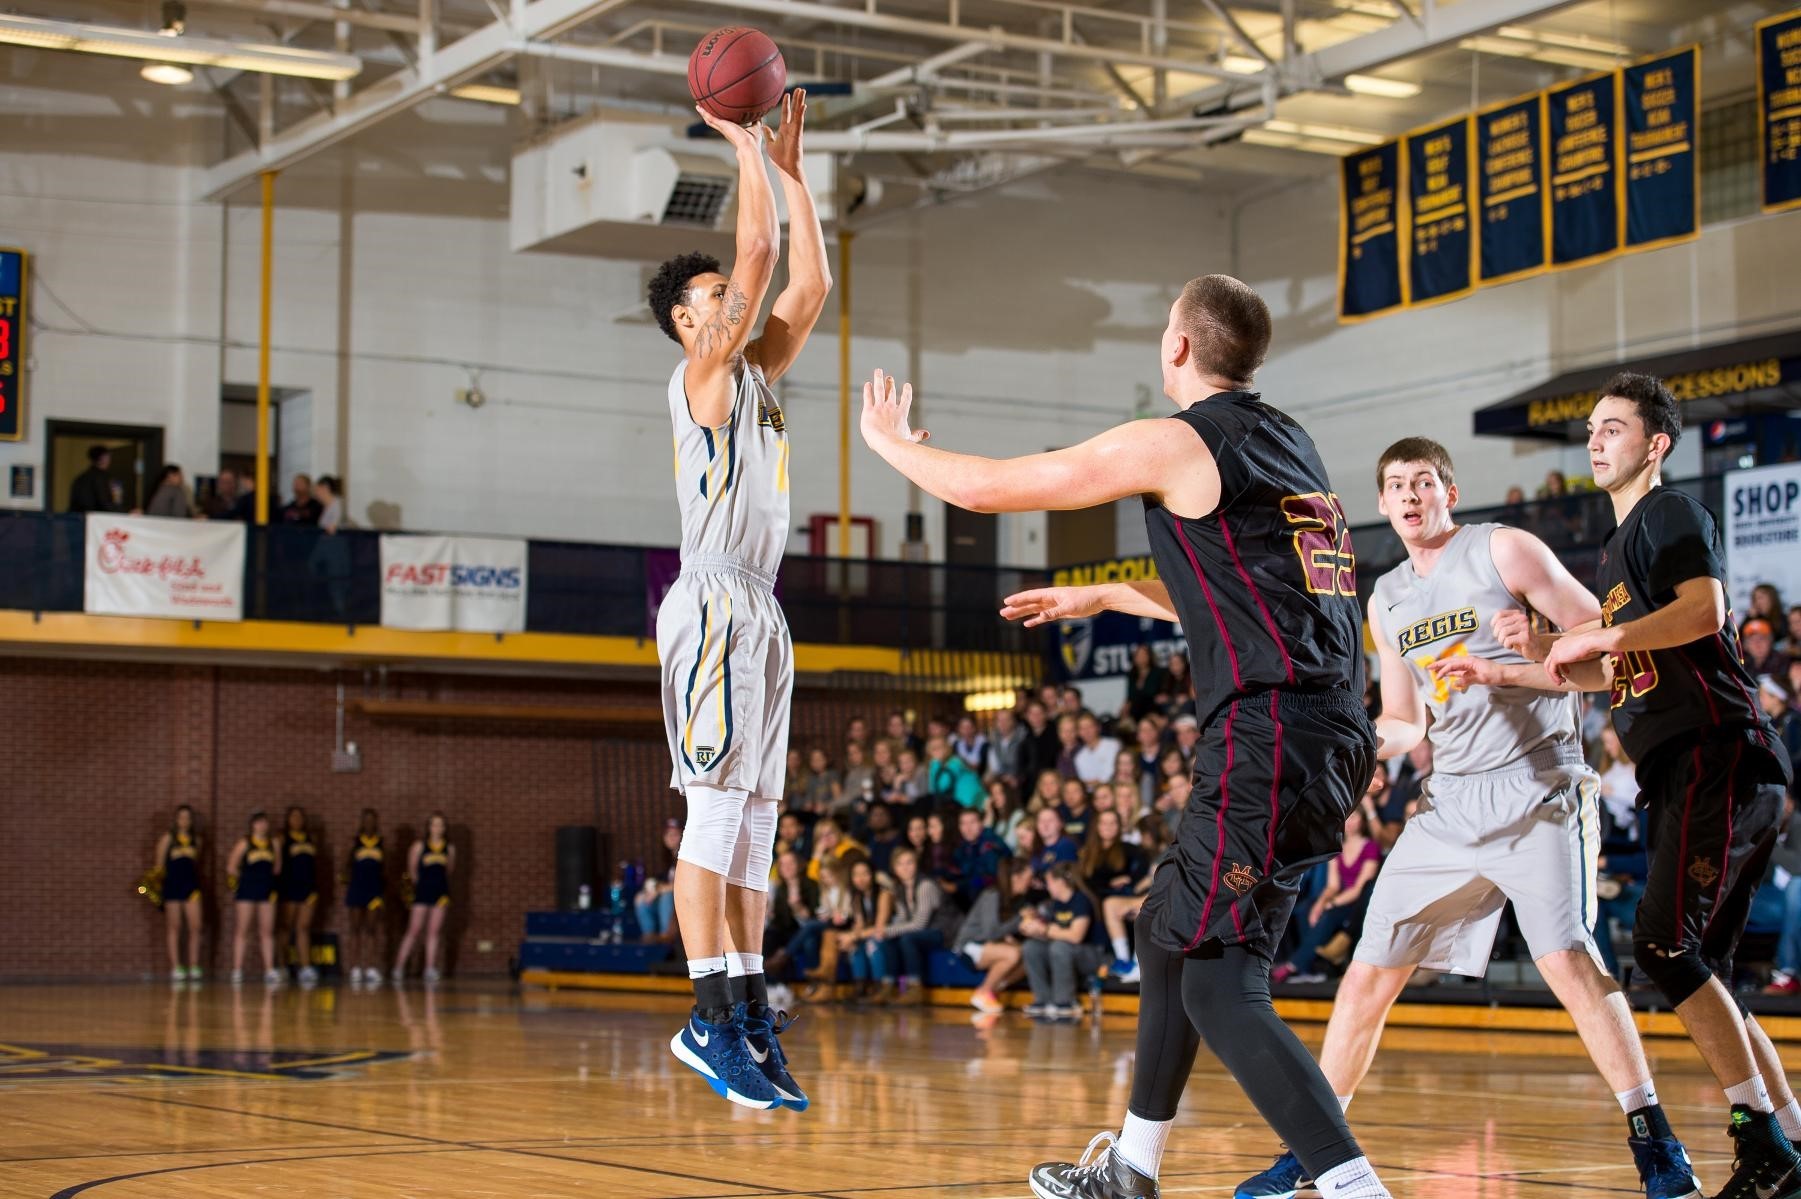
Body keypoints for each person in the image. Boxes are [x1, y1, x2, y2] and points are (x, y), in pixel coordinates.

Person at [863, 275, 1391, 1199]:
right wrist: (1107, 594)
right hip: (1328, 732)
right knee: (1162, 931)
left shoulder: (1177, 439)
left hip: (1268, 734)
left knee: (1219, 984)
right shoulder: (1289, 444)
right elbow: (1248, 594)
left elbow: (994, 490)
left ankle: (1354, 1190)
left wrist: (890, 446)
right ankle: (1133, 1168)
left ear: (1178, 348)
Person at [1240, 436, 1699, 1199]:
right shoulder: (1383, 596)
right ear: (1381, 506)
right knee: (1364, 977)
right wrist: (1360, 745)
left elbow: (1606, 658)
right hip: (1449, 804)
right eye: (1395, 485)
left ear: (1448, 491)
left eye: (1423, 480)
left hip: (1537, 790)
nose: (1410, 494)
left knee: (1567, 962)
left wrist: (1527, 652)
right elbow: (1403, 717)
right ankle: (1314, 1149)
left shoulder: (1505, 551)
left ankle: (1653, 1136)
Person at [1440, 374, 1800, 1199]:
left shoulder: (1668, 515)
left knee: (1662, 947)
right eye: (1591, 428)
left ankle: (1762, 1146)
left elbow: (1703, 609)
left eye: (1613, 427)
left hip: (1713, 752)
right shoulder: (1613, 554)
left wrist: (1598, 632)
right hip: (1699, 765)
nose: (1595, 439)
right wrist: (1521, 660)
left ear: (1656, 443)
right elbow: (1609, 671)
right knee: (1699, 966)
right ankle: (1788, 1137)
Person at [647, 93, 826, 1116]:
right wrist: (744, 146)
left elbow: (808, 279)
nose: (727, 303)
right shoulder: (701, 374)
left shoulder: (758, 375)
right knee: (715, 807)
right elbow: (757, 255)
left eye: (721, 298)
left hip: (761, 606)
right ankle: (706, 1012)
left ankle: (749, 1004)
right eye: (705, 298)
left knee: (758, 819)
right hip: (713, 600)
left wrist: (794, 168)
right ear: (686, 325)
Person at [1270, 807, 1379, 986]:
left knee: (1330, 915)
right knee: (1306, 910)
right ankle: (1310, 968)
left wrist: (1332, 904)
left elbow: (1360, 888)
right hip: (1339, 897)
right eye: (1347, 818)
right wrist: (1320, 903)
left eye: (1355, 818)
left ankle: (1294, 965)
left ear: (1363, 821)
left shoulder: (1370, 847)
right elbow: (1332, 886)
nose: (1350, 823)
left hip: (1358, 902)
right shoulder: (1338, 847)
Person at [1019, 862, 1109, 1021]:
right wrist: (1034, 930)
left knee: (1059, 947)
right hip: (1067, 951)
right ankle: (1043, 1000)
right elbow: (1052, 932)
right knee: (1031, 947)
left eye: (1049, 882)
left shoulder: (1080, 900)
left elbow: (1076, 936)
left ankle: (1066, 1002)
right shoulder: (1055, 904)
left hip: (1094, 956)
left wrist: (1046, 930)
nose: (1047, 887)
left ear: (1060, 882)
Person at [958, 856, 1035, 1014]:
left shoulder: (1019, 899)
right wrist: (1020, 919)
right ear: (1016, 877)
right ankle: (983, 991)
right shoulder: (992, 895)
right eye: (1029, 878)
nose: (1031, 882)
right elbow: (990, 932)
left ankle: (994, 989)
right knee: (1012, 954)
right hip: (971, 945)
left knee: (1030, 955)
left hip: (992, 943)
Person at [877, 846, 947, 1004]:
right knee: (891, 939)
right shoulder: (900, 888)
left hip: (941, 931)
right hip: (921, 932)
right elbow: (903, 920)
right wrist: (889, 932)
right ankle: (888, 985)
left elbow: (920, 924)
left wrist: (887, 930)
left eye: (909, 862)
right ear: (894, 868)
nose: (905, 868)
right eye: (900, 864)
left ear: (916, 864)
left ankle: (915, 988)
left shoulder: (925, 885)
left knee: (907, 938)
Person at [394, 813, 454, 984]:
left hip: (440, 892)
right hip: (422, 892)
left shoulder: (449, 848)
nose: (437, 828)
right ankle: (399, 967)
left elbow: (449, 870)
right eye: (434, 824)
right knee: (413, 929)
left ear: (444, 828)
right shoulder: (419, 846)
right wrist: (419, 887)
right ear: (429, 827)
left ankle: (429, 968)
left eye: (441, 825)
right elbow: (412, 870)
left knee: (434, 931)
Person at [226, 812, 281, 987]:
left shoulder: (274, 843)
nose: (262, 826)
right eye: (258, 822)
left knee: (267, 930)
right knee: (243, 929)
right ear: (252, 825)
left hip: (266, 889)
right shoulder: (245, 843)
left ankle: (269, 969)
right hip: (247, 889)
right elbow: (231, 867)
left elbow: (277, 868)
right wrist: (247, 878)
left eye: (265, 822)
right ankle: (237, 969)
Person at [155, 805, 204, 983]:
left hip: (191, 886)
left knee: (196, 926)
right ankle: (176, 966)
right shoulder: (167, 839)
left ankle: (194, 964)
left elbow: (196, 863)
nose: (184, 821)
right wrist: (156, 891)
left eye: (188, 818)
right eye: (181, 817)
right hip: (172, 886)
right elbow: (159, 867)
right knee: (174, 926)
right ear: (176, 820)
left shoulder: (196, 840)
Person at [276, 805, 321, 987]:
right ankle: (282, 965)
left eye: (300, 817)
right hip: (289, 887)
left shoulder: (311, 839)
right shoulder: (282, 838)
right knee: (286, 927)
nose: (297, 820)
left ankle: (305, 966)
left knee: (303, 927)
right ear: (287, 819)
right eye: (293, 816)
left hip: (307, 888)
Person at [343, 808, 387, 986]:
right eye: (366, 819)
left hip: (374, 890)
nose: (369, 823)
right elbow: (345, 867)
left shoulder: (381, 844)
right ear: (361, 822)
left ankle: (371, 966)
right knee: (355, 929)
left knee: (371, 929)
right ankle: (354, 966)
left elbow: (385, 870)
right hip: (356, 889)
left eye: (372, 820)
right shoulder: (354, 843)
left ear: (376, 822)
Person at [636, 819, 683, 942]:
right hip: (666, 904)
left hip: (683, 902)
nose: (671, 838)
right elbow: (660, 880)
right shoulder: (666, 858)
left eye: (675, 834)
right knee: (641, 897)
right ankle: (649, 935)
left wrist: (659, 889)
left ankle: (666, 935)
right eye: (668, 834)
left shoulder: (687, 857)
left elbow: (683, 885)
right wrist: (651, 889)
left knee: (667, 895)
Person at [952, 806, 1011, 903]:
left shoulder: (989, 843)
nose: (968, 828)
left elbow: (991, 879)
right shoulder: (962, 847)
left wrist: (960, 886)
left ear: (981, 824)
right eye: (963, 823)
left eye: (972, 822)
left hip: (995, 892)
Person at [68, 445, 126, 513]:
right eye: (108, 457)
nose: (109, 460)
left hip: (79, 518)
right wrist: (124, 513)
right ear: (103, 458)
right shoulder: (104, 479)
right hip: (98, 519)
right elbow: (105, 503)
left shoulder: (81, 478)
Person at [1071, 713, 1122, 787]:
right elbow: (1085, 784)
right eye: (1082, 728)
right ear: (1078, 733)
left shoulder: (1113, 745)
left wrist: (1095, 783)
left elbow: (1111, 775)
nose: (1086, 731)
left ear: (1098, 727)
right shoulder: (1079, 757)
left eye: (1089, 726)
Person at [1123, 645, 1170, 723]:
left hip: (1152, 706)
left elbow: (1156, 692)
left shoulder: (1158, 672)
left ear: (1149, 656)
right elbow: (1129, 696)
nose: (1141, 658)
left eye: (1144, 655)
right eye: (1139, 655)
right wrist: (1125, 708)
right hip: (1136, 709)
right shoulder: (1131, 675)